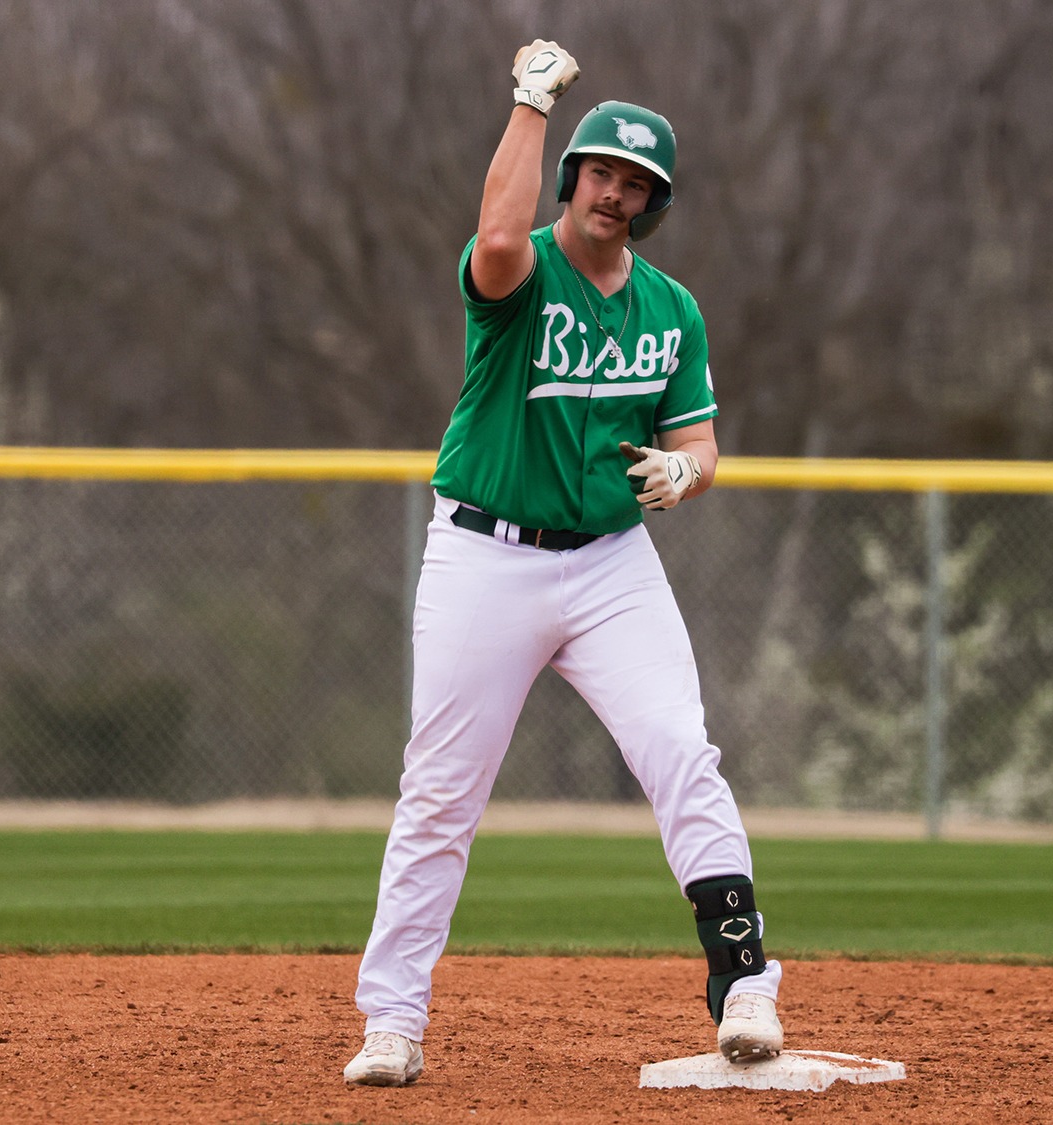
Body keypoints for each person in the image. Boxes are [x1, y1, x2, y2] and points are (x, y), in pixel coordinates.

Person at [341, 39, 784, 1088]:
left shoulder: (670, 312)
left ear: (651, 201)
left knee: (681, 751)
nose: (616, 194)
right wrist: (530, 103)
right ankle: (392, 1022)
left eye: (638, 183)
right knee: (440, 797)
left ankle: (745, 983)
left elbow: (701, 445)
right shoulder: (521, 273)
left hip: (609, 566)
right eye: (602, 173)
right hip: (482, 556)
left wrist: (688, 474)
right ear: (572, 174)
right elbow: (497, 231)